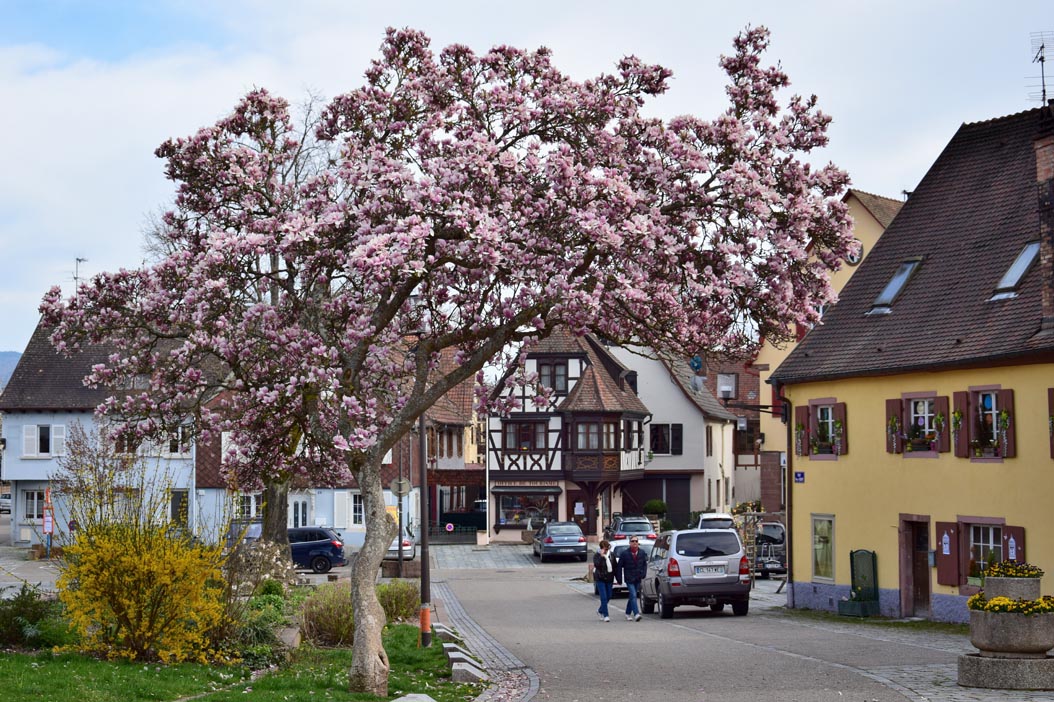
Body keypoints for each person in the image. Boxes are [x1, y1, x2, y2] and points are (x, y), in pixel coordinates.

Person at [617, 536, 648, 621]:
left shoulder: (642, 552)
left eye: (636, 541)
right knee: (634, 595)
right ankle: (636, 613)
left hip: (638, 577)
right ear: (629, 543)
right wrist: (619, 579)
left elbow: (644, 564)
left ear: (638, 542)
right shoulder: (624, 554)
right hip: (629, 578)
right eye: (632, 541)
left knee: (632, 596)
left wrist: (643, 574)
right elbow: (619, 567)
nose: (634, 542)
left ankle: (627, 613)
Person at [593, 539, 615, 622]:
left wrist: (618, 578)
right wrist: (602, 557)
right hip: (600, 578)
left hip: (609, 578)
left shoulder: (611, 555)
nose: (606, 550)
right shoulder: (597, 555)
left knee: (609, 596)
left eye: (607, 549)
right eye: (605, 549)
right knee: (604, 597)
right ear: (601, 548)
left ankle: (600, 610)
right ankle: (606, 615)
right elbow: (597, 565)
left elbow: (614, 567)